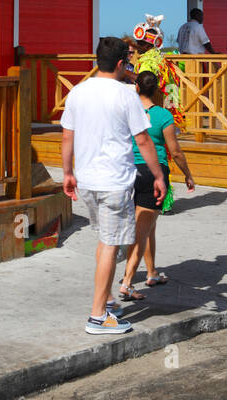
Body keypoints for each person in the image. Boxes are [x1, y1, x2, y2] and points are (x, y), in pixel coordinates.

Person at [61, 37, 166, 335]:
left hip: (88, 180)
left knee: (105, 241)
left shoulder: (78, 92)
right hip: (115, 181)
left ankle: (105, 301)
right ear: (121, 63)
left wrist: (67, 172)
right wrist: (158, 175)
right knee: (110, 244)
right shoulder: (125, 95)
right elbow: (143, 139)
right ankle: (97, 316)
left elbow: (67, 136)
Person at [119, 71, 196, 301]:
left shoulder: (127, 112)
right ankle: (127, 282)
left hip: (127, 171)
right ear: (156, 91)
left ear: (136, 87)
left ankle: (151, 273)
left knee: (148, 224)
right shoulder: (163, 116)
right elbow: (176, 152)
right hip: (153, 173)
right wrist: (188, 174)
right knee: (141, 231)